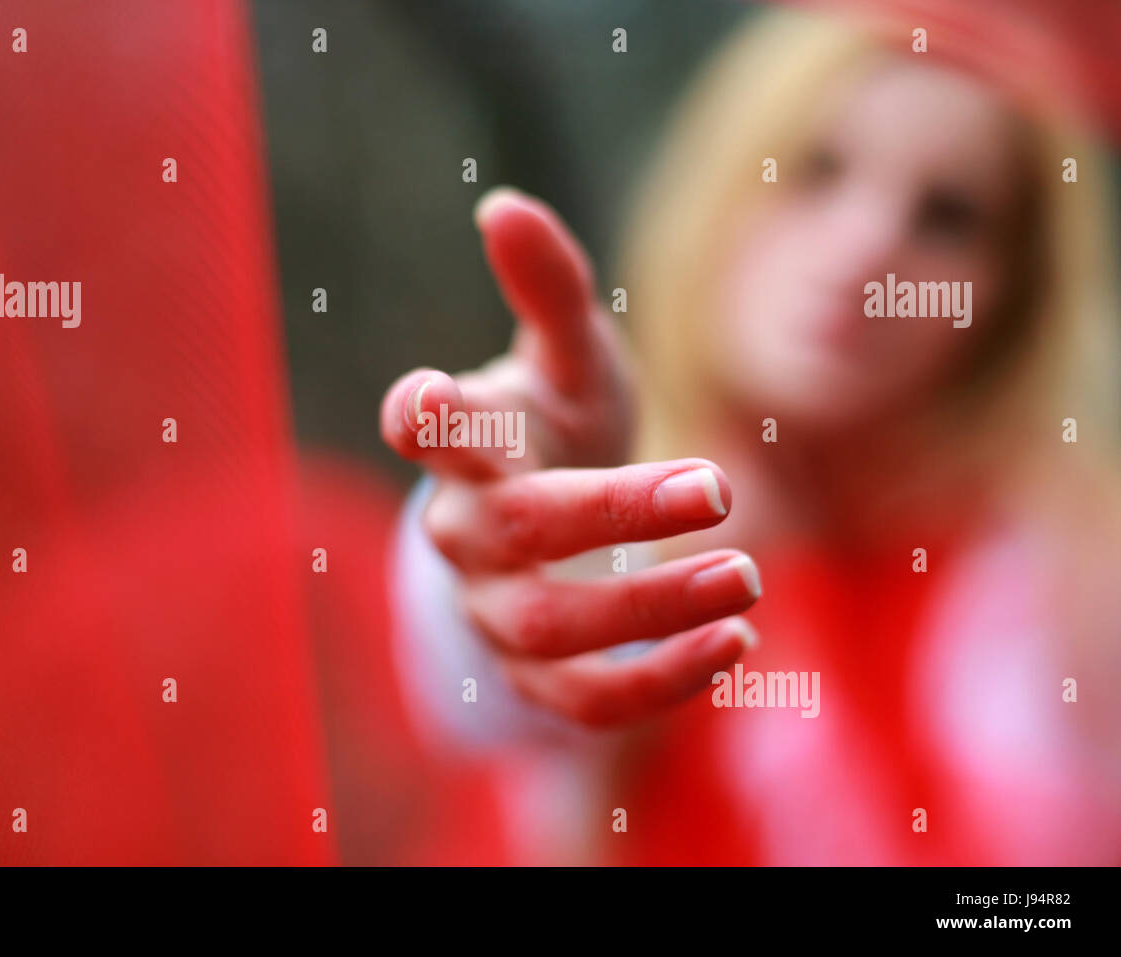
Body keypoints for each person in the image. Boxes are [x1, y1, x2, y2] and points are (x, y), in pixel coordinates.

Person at [379, 6, 1121, 864]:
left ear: (1011, 296)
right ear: (725, 181)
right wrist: (527, 522)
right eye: (815, 168)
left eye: (948, 216)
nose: (869, 244)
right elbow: (482, 682)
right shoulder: (647, 520)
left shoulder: (1067, 567)